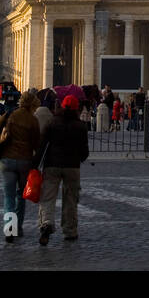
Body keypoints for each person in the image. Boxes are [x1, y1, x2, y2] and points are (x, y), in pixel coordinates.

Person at [37, 95, 90, 246]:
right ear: (76, 109)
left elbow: (42, 145)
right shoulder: (80, 126)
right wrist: (80, 157)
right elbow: (84, 152)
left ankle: (46, 223)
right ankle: (70, 231)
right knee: (71, 199)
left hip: (52, 165)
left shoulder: (51, 122)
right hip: (72, 166)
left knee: (48, 197)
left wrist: (34, 165)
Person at [0, 90, 41, 243]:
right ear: (33, 104)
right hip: (24, 162)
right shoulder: (33, 120)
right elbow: (36, 144)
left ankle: (10, 228)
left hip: (7, 159)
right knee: (21, 196)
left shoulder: (10, 115)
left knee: (8, 197)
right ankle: (18, 227)